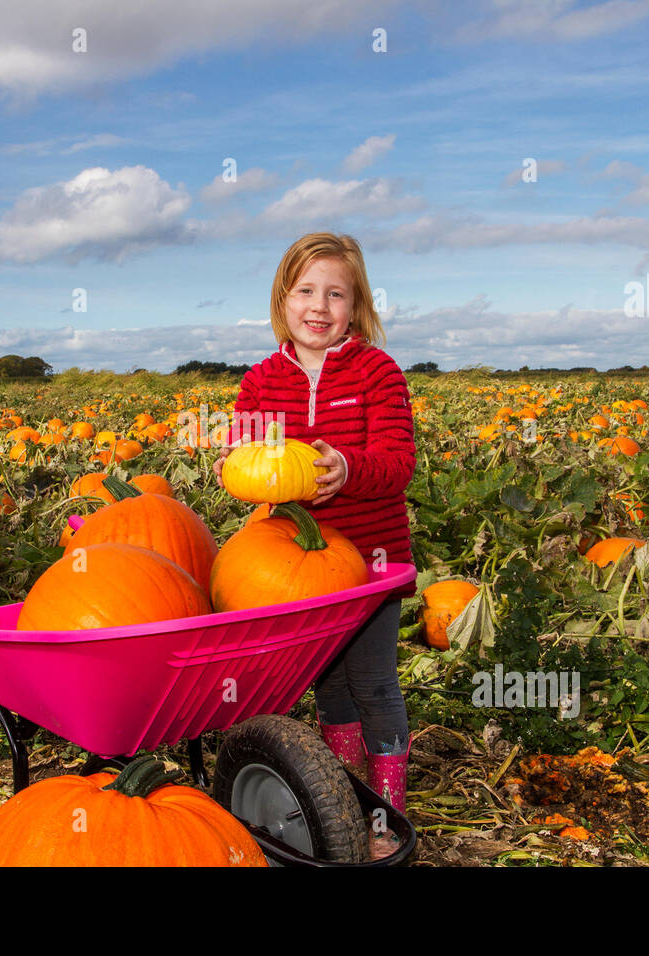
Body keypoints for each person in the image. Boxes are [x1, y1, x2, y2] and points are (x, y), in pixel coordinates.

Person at [214, 232, 417, 859]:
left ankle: (383, 813)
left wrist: (349, 470)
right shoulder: (260, 382)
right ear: (283, 299)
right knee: (328, 685)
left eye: (336, 293)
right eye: (306, 290)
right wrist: (233, 466)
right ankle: (342, 797)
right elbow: (242, 460)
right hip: (299, 571)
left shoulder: (376, 371)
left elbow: (398, 461)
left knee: (375, 683)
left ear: (355, 307)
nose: (319, 306)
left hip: (372, 566)